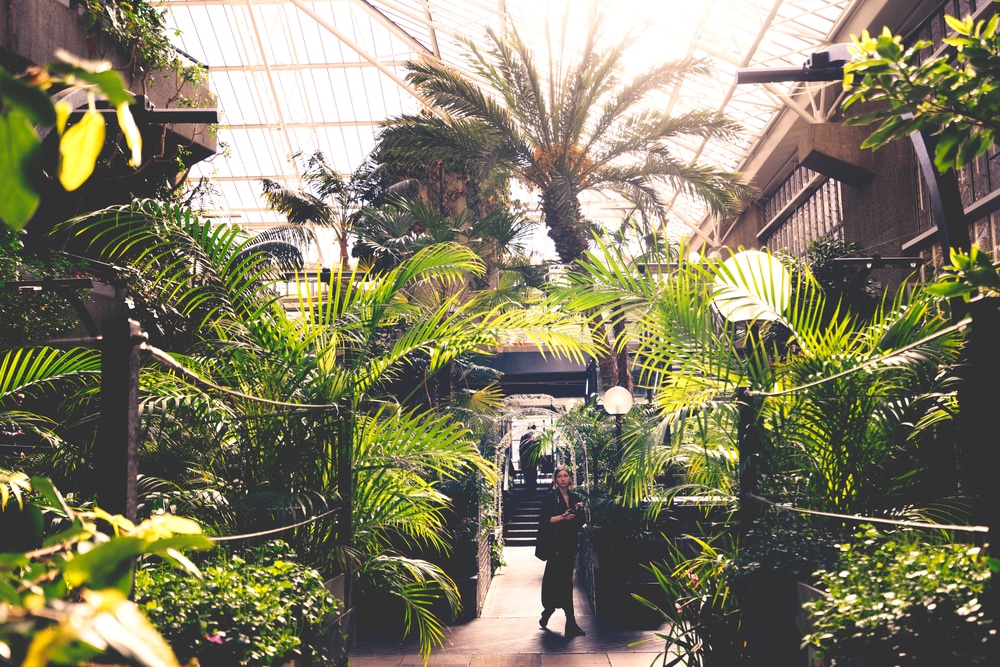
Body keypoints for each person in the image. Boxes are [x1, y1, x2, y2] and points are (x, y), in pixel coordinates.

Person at [534, 465, 587, 637]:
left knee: (565, 583)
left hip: (569, 547)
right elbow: (545, 520)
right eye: (560, 476)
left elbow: (580, 522)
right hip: (555, 548)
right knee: (556, 583)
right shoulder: (550, 498)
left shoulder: (575, 497)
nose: (563, 479)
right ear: (555, 480)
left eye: (566, 476)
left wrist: (578, 512)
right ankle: (552, 613)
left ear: (570, 478)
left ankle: (564, 620)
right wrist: (563, 516)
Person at [519, 425, 540, 493]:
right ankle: (529, 487)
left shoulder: (536, 437)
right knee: (528, 473)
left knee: (533, 473)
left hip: (533, 459)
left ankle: (533, 487)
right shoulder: (524, 437)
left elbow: (539, 449)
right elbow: (521, 448)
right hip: (526, 459)